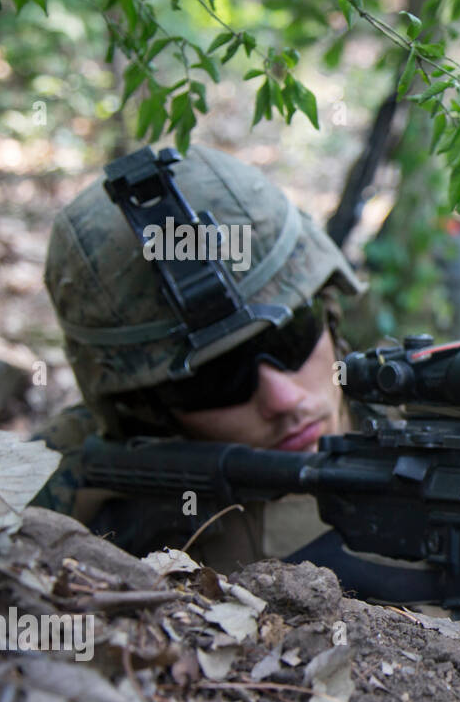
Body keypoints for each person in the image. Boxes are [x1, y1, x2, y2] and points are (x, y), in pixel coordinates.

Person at [30, 144, 366, 574]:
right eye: (218, 378)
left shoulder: (433, 416)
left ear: (329, 309)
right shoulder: (65, 482)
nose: (283, 399)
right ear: (143, 408)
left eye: (292, 340)